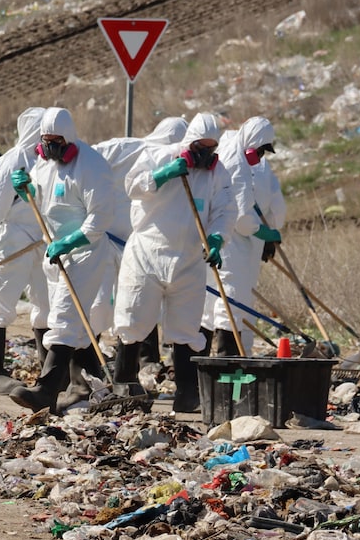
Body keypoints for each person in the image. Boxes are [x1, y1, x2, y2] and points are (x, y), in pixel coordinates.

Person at [112, 112, 235, 412]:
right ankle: (125, 384)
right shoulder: (157, 155)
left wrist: (217, 238)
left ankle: (187, 393)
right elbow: (132, 186)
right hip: (148, 254)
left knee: (186, 326)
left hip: (190, 257)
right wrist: (163, 174)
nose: (204, 154)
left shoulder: (218, 174)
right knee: (134, 317)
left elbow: (225, 210)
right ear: (188, 142)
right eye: (199, 147)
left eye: (210, 148)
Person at [6, 107, 117, 414]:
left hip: (87, 252)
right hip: (55, 253)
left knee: (65, 320)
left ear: (68, 137)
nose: (50, 147)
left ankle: (45, 391)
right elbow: (42, 204)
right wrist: (25, 189)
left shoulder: (92, 166)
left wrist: (71, 241)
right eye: (46, 140)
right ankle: (93, 386)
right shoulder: (44, 164)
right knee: (73, 326)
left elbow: (100, 218)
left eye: (56, 140)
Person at [93, 116, 188, 378]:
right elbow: (87, 161)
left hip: (137, 243)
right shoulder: (125, 148)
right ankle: (90, 361)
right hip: (104, 237)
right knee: (99, 301)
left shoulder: (175, 163)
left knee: (139, 302)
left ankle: (146, 361)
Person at [0, 107, 50, 395]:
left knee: (47, 306)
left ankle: (50, 372)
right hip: (14, 240)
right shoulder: (11, 163)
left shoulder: (47, 161)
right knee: (3, 304)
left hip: (43, 241)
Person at [201, 116, 284, 357]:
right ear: (252, 144)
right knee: (232, 297)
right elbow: (242, 220)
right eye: (259, 152)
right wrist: (267, 233)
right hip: (228, 241)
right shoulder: (238, 165)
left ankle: (199, 358)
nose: (260, 158)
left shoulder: (231, 145)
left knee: (211, 299)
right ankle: (228, 358)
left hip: (217, 232)